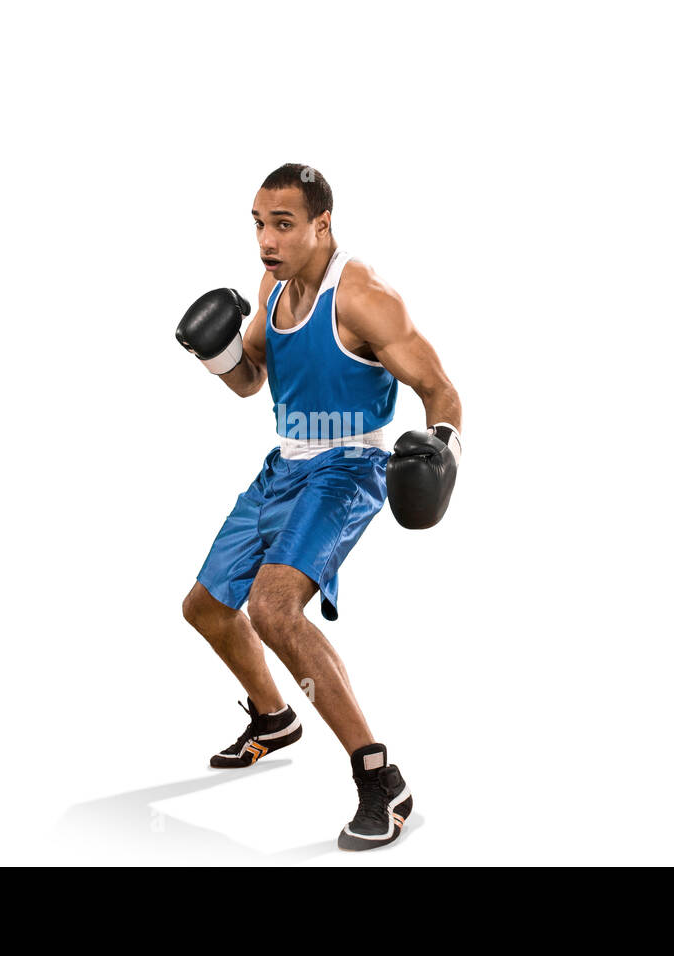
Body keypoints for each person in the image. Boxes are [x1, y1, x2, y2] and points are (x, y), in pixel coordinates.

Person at [174, 163, 462, 851]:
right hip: (285, 464)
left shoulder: (361, 297)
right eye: (258, 223)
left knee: (272, 608)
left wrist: (443, 446)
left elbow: (440, 389)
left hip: (350, 467)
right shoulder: (273, 287)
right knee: (206, 608)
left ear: (320, 224)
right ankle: (274, 719)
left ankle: (379, 778)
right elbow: (249, 382)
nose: (266, 240)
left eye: (282, 224)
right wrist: (215, 357)